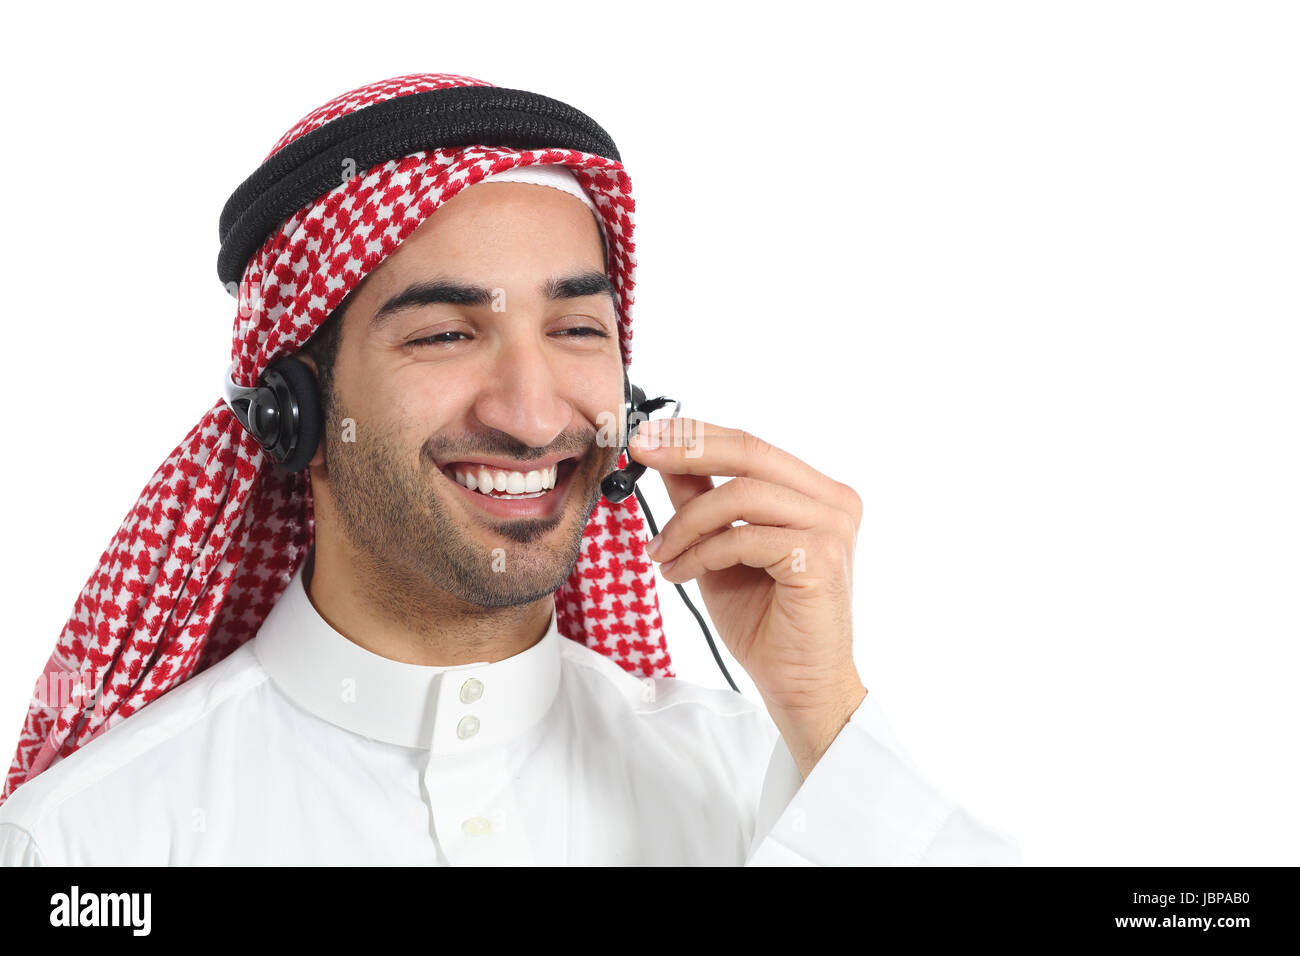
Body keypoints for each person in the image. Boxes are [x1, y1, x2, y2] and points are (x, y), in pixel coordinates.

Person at [0, 73, 1020, 865]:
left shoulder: (772, 786)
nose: (534, 416)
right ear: (293, 412)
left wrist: (825, 709)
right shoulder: (95, 841)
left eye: (577, 327)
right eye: (445, 333)